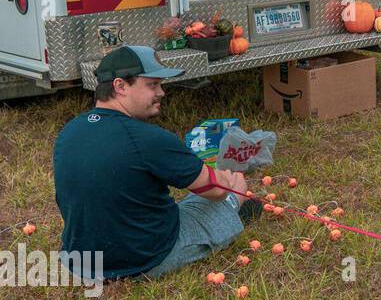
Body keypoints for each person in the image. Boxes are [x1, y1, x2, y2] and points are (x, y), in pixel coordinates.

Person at [53, 46, 259, 281]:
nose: (162, 92)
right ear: (120, 86)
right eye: (152, 84)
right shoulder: (148, 139)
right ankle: (236, 208)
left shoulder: (68, 132)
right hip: (142, 261)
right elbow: (216, 190)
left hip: (79, 261)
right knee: (230, 193)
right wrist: (233, 188)